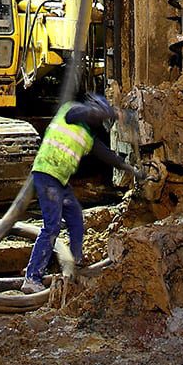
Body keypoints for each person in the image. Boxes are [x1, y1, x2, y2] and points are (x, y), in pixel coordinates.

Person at [24, 93, 126, 289]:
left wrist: (132, 170)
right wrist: (110, 111)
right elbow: (83, 113)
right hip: (46, 175)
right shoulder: (71, 111)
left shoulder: (87, 135)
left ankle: (76, 261)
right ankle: (32, 277)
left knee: (75, 217)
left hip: (60, 181)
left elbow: (107, 155)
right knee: (51, 227)